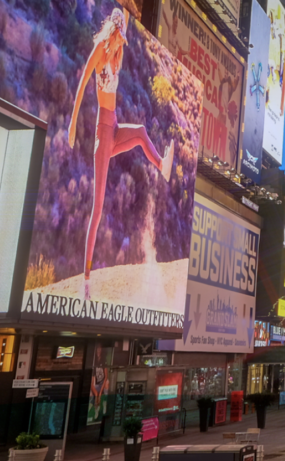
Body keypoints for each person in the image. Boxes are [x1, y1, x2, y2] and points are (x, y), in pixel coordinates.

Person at [67, 8, 174, 295]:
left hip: (114, 126)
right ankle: (86, 278)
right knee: (97, 209)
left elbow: (125, 18)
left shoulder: (117, 54)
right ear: (112, 33)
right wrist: (73, 123)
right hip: (103, 134)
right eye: (119, 37)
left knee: (140, 132)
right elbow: (82, 84)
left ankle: (162, 165)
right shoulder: (99, 52)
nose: (121, 43)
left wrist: (128, 13)